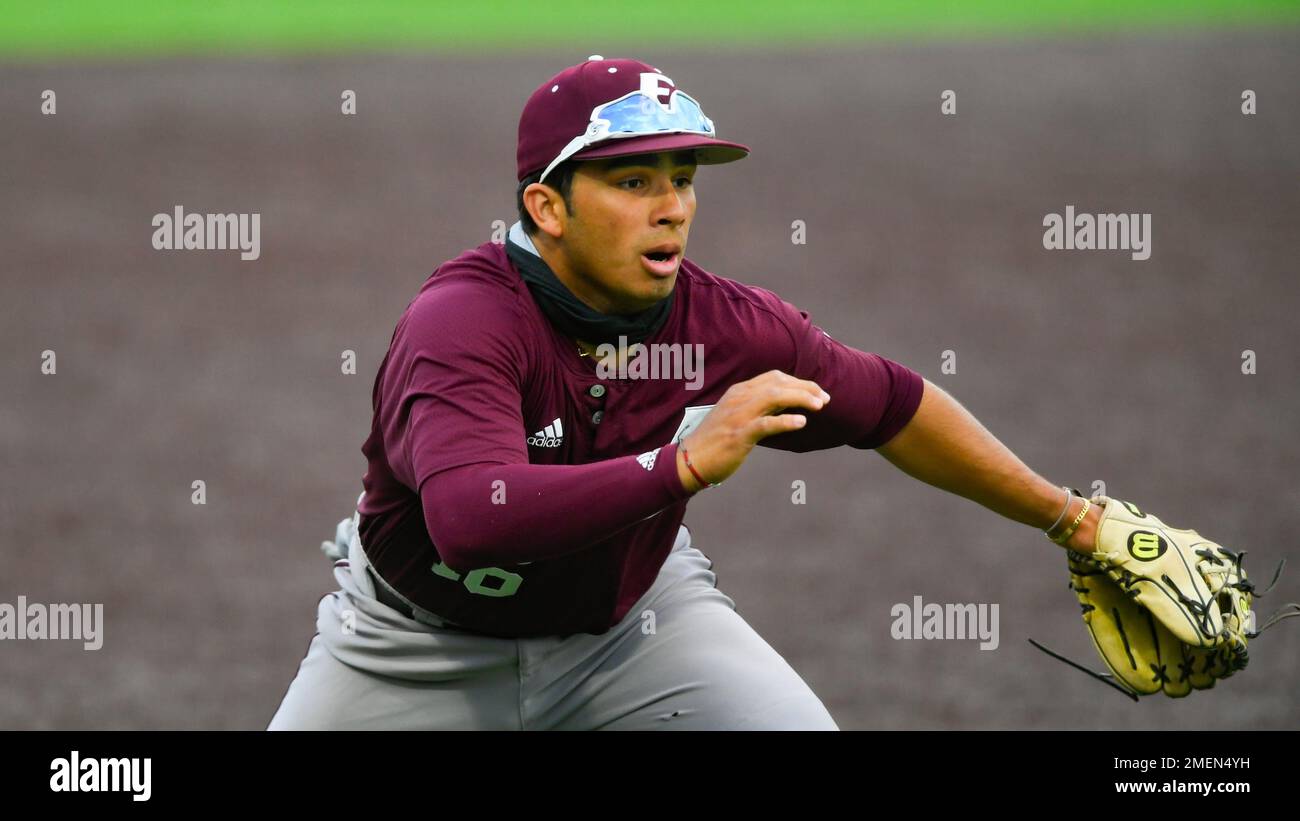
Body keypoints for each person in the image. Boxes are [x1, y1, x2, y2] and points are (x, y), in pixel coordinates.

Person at [268, 56, 1100, 730]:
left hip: (633, 632)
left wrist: (1074, 520)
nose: (673, 208)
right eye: (633, 183)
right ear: (546, 207)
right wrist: (682, 467)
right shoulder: (462, 323)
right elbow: (471, 521)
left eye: (684, 177)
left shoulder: (727, 325)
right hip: (410, 647)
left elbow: (890, 404)